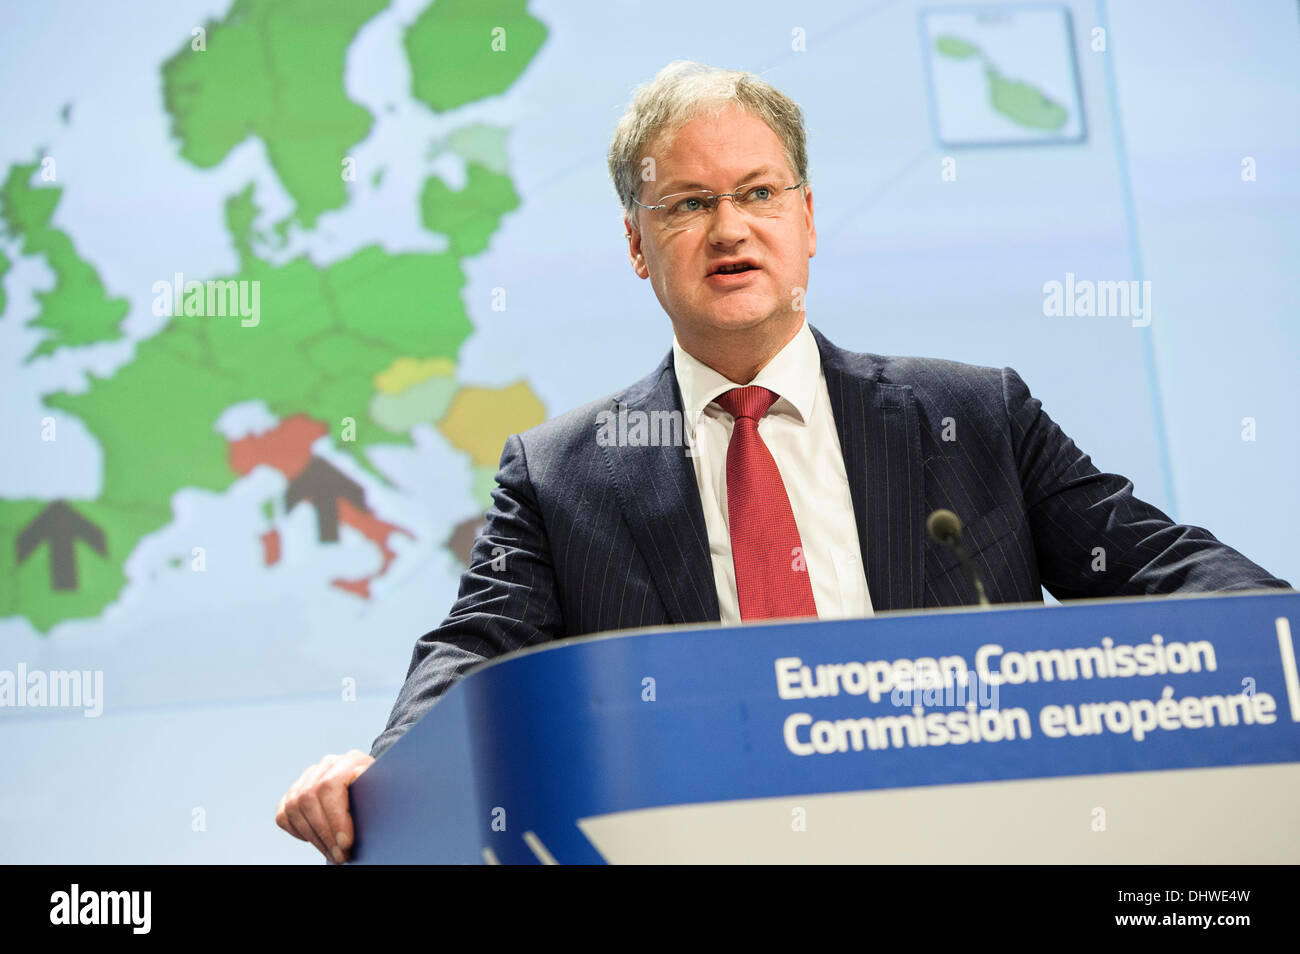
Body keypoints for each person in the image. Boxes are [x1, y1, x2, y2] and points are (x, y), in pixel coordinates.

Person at [275, 61, 1290, 863]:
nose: (729, 229)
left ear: (806, 221)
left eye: (758, 192)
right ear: (636, 243)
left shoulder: (971, 414)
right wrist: (388, 768)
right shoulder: (561, 476)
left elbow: (1157, 567)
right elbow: (471, 651)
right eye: (684, 204)